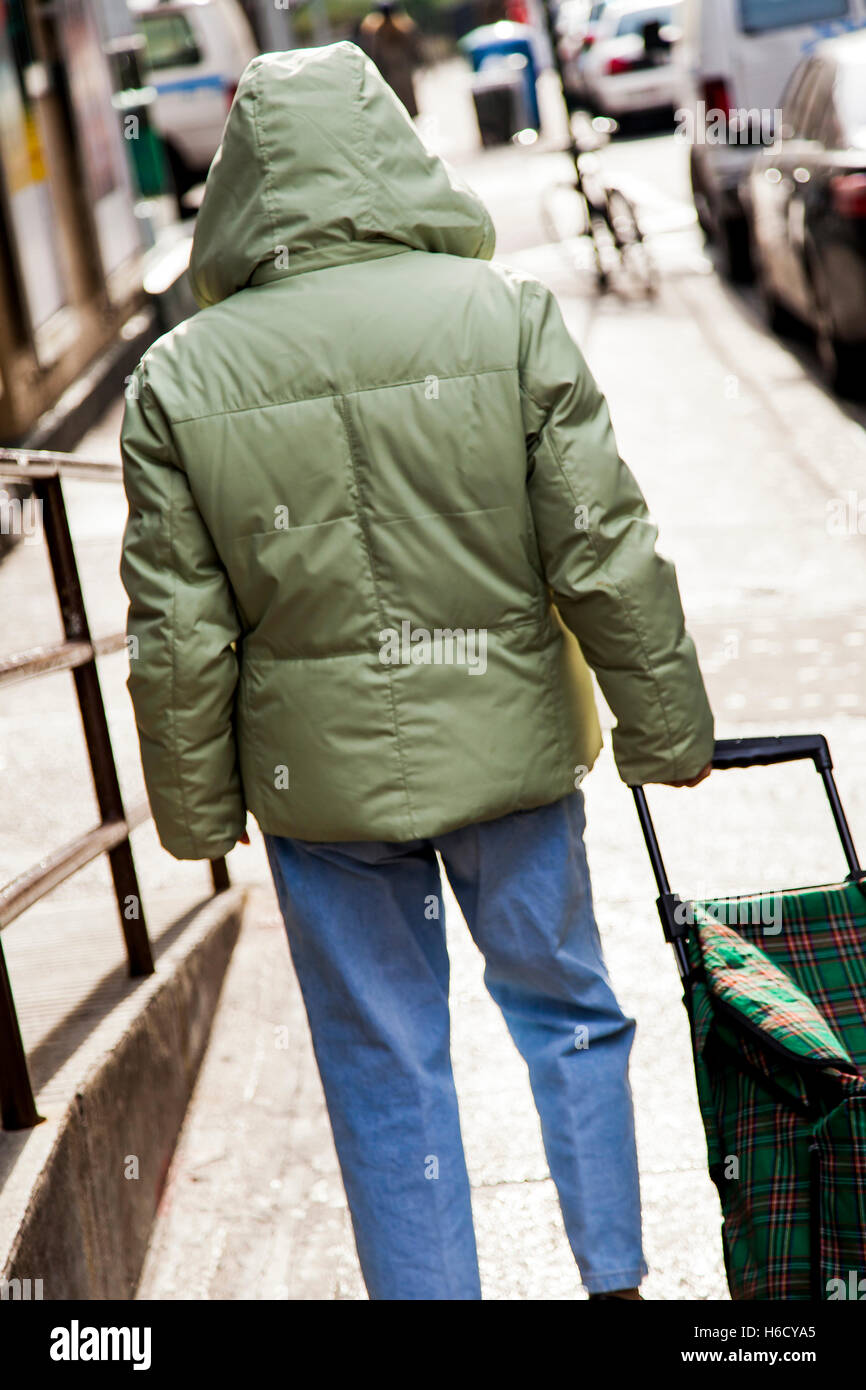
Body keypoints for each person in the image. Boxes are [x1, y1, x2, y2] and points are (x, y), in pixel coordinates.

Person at [119, 42, 713, 1301]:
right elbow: (602, 545)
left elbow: (178, 630)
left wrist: (194, 814)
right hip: (508, 753)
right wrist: (666, 727)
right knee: (569, 1015)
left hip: (318, 785)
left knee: (384, 1063)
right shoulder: (500, 315)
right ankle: (614, 1281)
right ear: (390, 153)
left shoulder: (181, 377)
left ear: (239, 189)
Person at [357, 0, 422, 117]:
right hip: (398, 74)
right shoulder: (403, 28)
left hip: (393, 75)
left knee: (399, 110)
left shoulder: (375, 31)